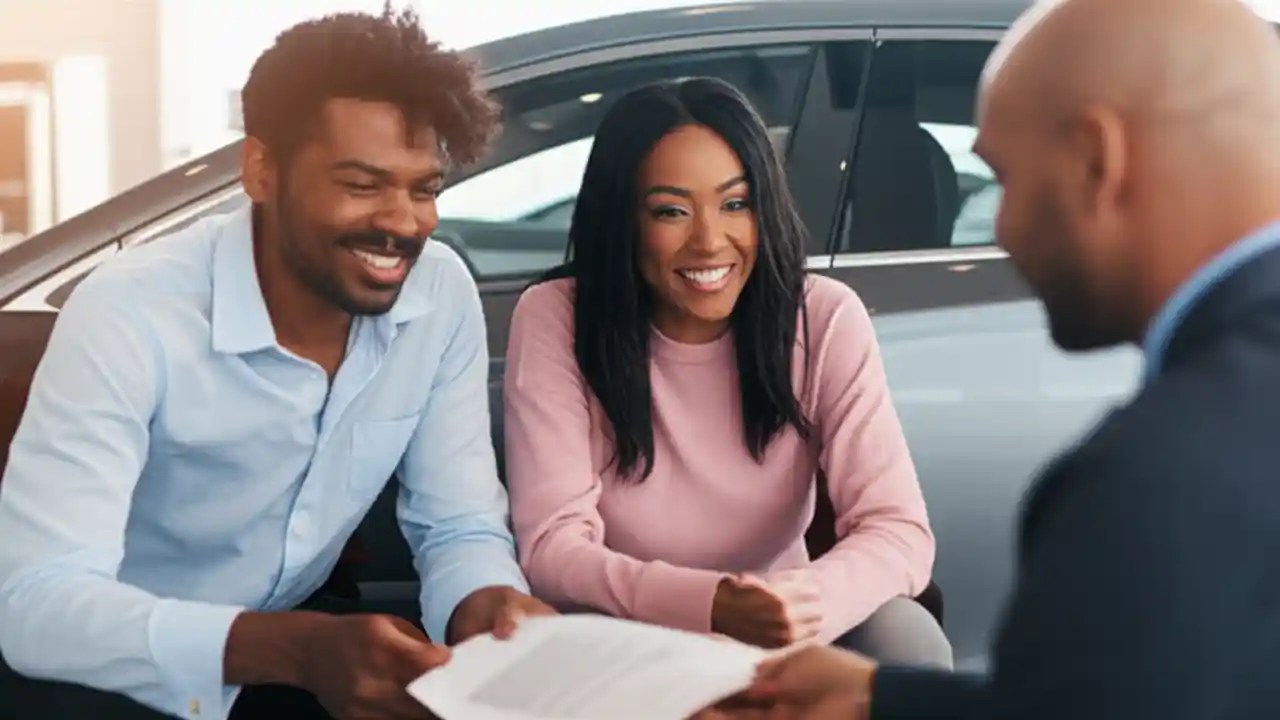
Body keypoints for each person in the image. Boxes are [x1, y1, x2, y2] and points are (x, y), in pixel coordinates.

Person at [698, 0, 1280, 718]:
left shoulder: (1153, 474)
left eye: (1004, 179)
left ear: (1097, 160)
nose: (1000, 228)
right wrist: (879, 698)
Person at [0, 7, 553, 720]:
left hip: (297, 657)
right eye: (361, 184)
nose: (403, 223)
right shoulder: (132, 312)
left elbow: (458, 526)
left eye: (424, 189)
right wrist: (292, 650)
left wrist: (487, 608)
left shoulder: (439, 293)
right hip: (104, 673)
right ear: (261, 169)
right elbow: (36, 602)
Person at [502, 77, 951, 666]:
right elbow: (552, 547)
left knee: (906, 638)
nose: (711, 242)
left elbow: (899, 532)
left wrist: (799, 604)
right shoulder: (556, 316)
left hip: (784, 633)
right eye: (671, 211)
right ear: (623, 220)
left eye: (736, 204)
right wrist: (711, 605)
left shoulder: (823, 316)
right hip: (621, 639)